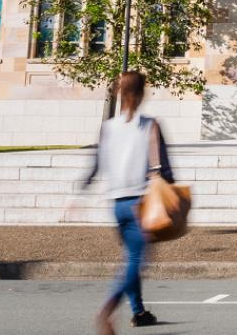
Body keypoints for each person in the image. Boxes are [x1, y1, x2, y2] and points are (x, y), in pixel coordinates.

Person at [86, 71, 169, 333]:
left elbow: (96, 165)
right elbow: (163, 168)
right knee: (137, 260)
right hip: (139, 202)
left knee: (131, 257)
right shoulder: (149, 125)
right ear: (142, 94)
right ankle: (107, 309)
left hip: (117, 203)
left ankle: (139, 311)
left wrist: (80, 189)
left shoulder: (109, 126)